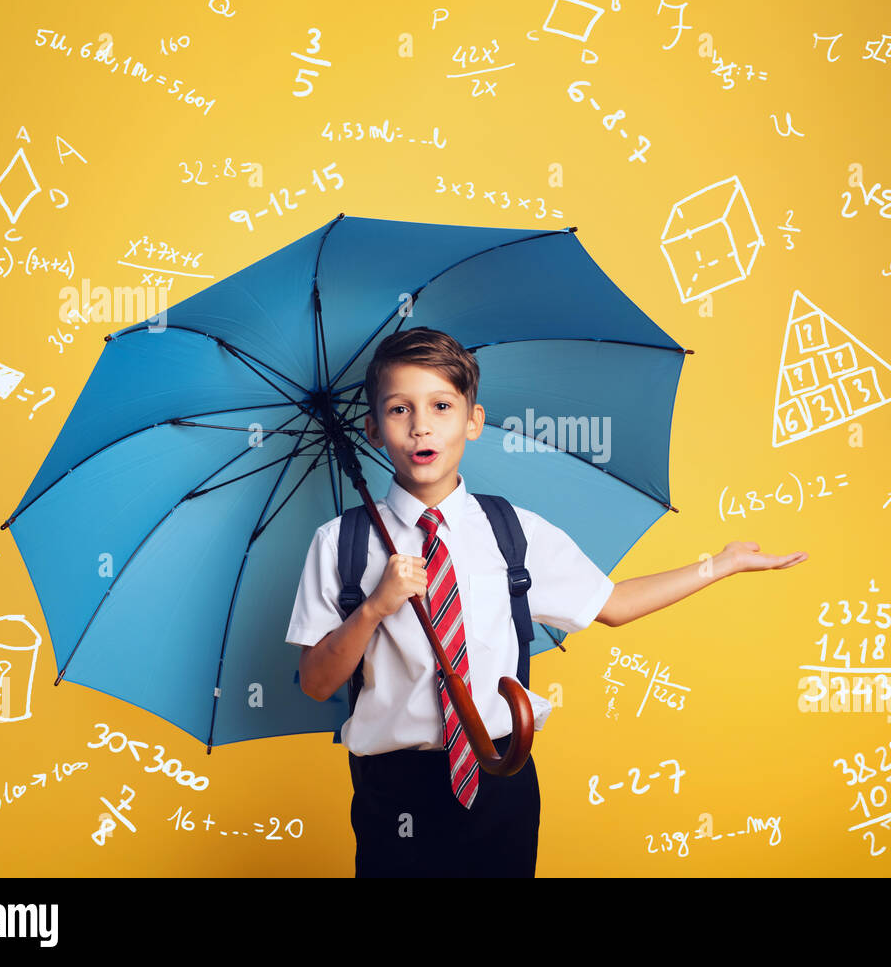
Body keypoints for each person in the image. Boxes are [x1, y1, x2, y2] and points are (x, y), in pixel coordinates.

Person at [286, 326, 807, 877]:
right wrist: (373, 607)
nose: (421, 425)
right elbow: (317, 683)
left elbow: (615, 604)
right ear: (371, 428)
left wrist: (719, 564)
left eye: (441, 405)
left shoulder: (514, 530)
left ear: (473, 421)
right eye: (398, 409)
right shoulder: (339, 542)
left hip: (501, 772)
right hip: (394, 790)